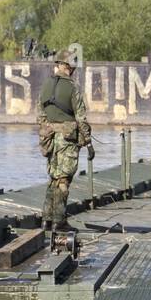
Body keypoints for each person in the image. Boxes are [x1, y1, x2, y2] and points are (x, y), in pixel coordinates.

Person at [36, 50, 93, 236]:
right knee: (63, 180)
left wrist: (45, 133)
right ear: (68, 67)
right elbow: (81, 118)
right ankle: (59, 222)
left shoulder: (45, 85)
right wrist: (89, 142)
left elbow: (40, 113)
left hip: (49, 136)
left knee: (53, 177)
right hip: (66, 139)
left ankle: (47, 219)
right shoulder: (72, 87)